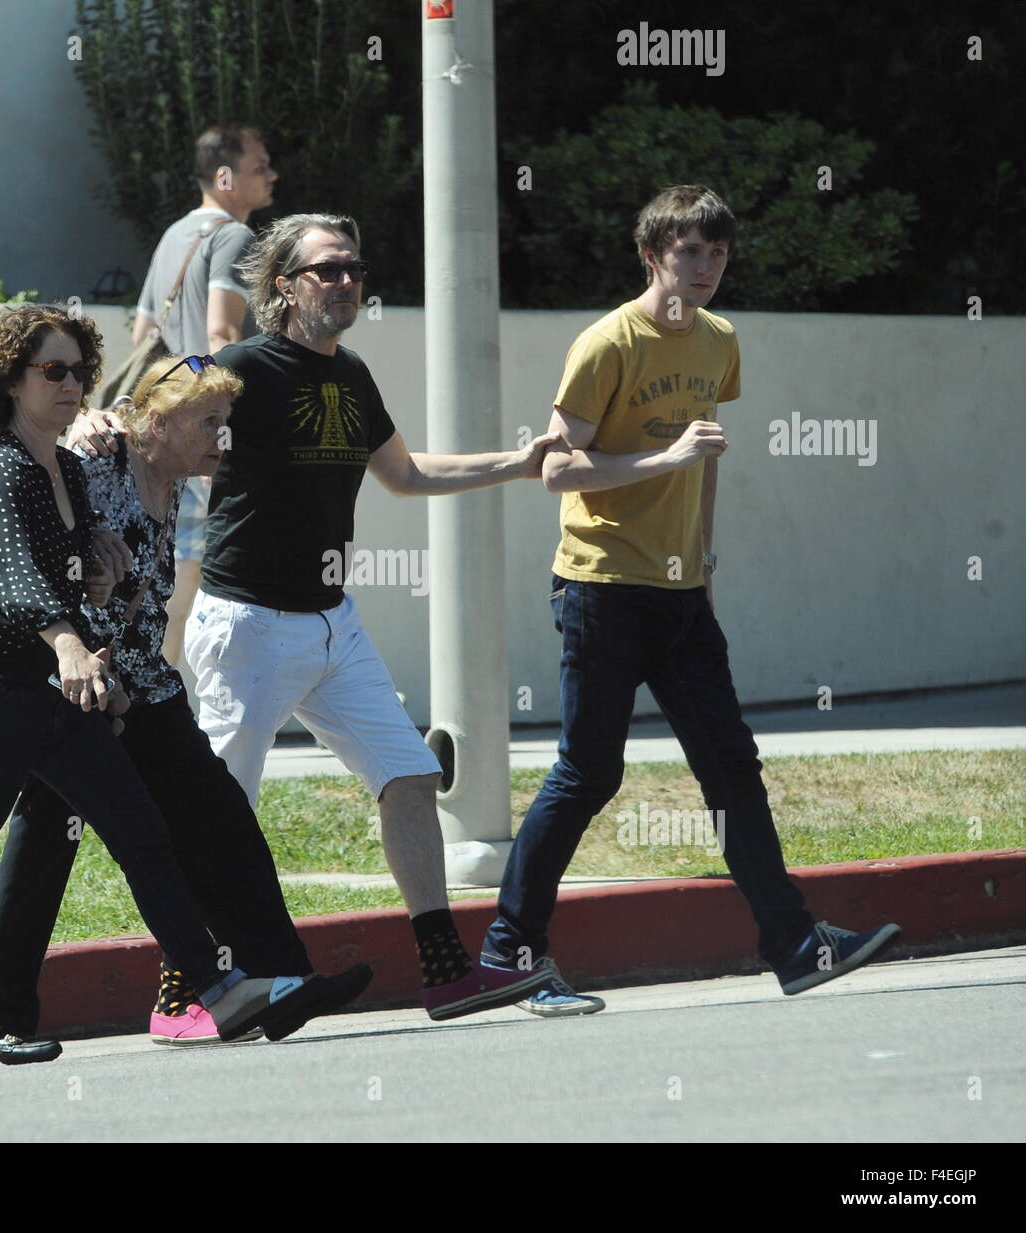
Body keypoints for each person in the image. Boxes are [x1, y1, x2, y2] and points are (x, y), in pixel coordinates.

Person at [72, 213, 563, 1022]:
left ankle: (445, 970)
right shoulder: (241, 366)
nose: (345, 282)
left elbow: (403, 473)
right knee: (217, 812)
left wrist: (516, 463)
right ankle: (182, 995)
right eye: (327, 270)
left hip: (334, 624)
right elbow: (153, 400)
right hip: (245, 625)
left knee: (408, 773)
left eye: (353, 270)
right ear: (283, 288)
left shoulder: (353, 374)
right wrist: (98, 419)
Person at [0, 305, 356, 1075]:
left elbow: (75, 573)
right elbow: (16, 578)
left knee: (145, 838)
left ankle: (220, 989)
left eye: (78, 372)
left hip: (67, 700)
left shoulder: (62, 469)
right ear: (9, 379)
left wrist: (97, 570)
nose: (68, 385)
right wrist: (69, 642)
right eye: (50, 371)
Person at [477, 184, 901, 998]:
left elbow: (707, 458)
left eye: (716, 252)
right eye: (688, 252)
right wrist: (662, 459)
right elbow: (557, 469)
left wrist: (703, 565)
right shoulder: (607, 342)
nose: (704, 267)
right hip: (601, 588)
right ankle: (509, 950)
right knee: (589, 773)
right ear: (652, 257)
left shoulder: (719, 340)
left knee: (732, 768)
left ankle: (795, 945)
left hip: (680, 598)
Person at [132, 123, 277, 670]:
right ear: (225, 176)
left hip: (166, 427)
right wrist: (241, 424)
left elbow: (141, 336)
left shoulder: (174, 235)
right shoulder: (236, 237)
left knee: (166, 568)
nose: (271, 174)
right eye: (259, 164)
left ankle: (150, 693)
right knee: (190, 575)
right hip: (210, 430)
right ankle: (163, 699)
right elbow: (221, 334)